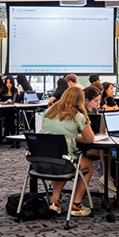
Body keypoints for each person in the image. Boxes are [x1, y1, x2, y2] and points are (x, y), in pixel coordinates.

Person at [38, 85, 95, 216]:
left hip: (40, 162)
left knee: (61, 159)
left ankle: (55, 202)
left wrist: (70, 136)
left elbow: (48, 134)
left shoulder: (49, 112)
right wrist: (74, 136)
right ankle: (76, 205)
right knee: (87, 165)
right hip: (61, 164)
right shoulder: (78, 116)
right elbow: (90, 139)